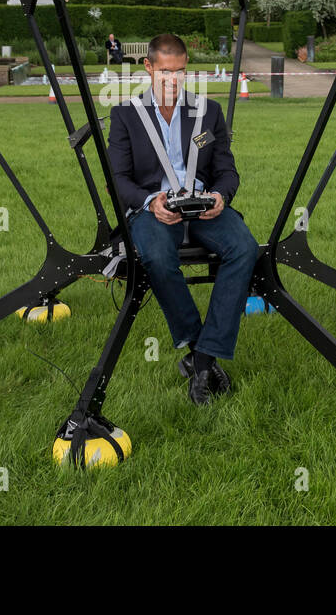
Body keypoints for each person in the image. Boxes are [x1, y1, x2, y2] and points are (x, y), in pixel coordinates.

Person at [106, 33, 259, 405]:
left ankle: (202, 360)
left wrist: (220, 197)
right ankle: (198, 347)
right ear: (148, 68)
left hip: (203, 206)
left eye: (181, 72)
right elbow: (118, 180)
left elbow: (227, 172)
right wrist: (149, 201)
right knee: (158, 257)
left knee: (245, 249)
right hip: (154, 208)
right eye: (165, 72)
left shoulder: (208, 113)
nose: (173, 80)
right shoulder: (127, 115)